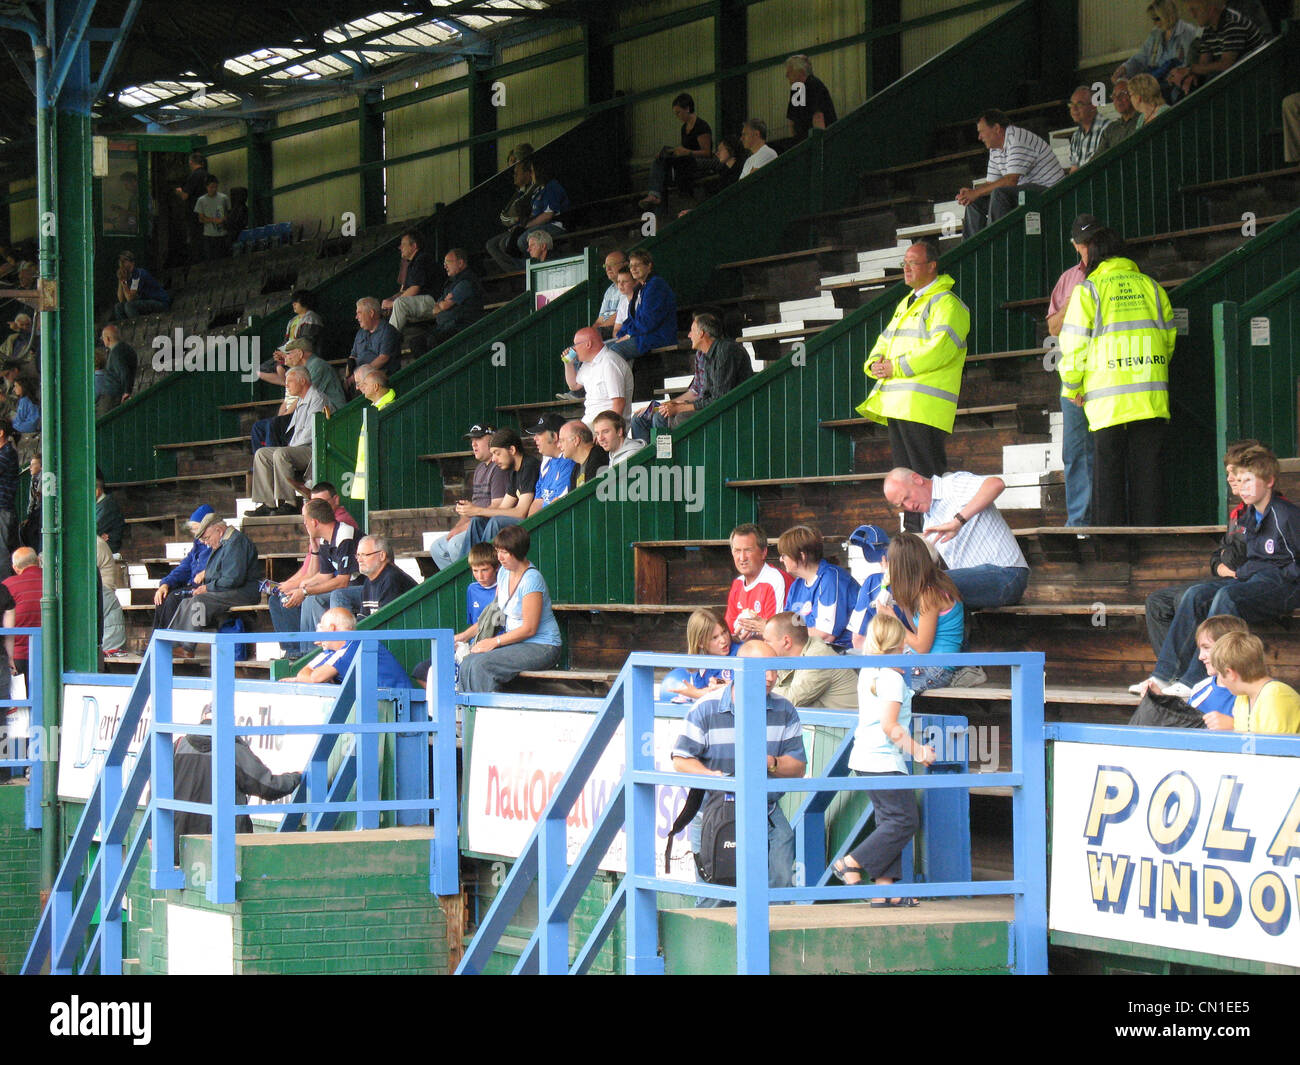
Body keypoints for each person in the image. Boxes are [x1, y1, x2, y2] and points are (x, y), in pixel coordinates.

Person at [1131, 444, 1300, 696]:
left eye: (1249, 481)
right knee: (1195, 594)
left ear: (1269, 481)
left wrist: (1252, 570)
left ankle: (1196, 681)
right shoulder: (1246, 516)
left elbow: (1288, 564)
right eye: (1239, 481)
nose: (1242, 487)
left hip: (1286, 586)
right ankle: (1164, 676)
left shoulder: (1285, 514)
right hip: (1254, 580)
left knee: (1226, 597)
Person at [670, 639, 806, 904]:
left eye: (774, 669)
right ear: (737, 671)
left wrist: (771, 762)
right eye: (762, 669)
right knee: (715, 894)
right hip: (712, 809)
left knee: (779, 883)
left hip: (764, 809)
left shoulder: (785, 709)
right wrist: (714, 778)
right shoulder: (705, 708)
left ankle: (775, 942)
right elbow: (681, 759)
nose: (771, 677)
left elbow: (798, 767)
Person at [1058, 225, 1175, 526]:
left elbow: (1073, 345)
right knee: (1148, 472)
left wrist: (1073, 385)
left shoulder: (1090, 290)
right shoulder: (1152, 287)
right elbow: (1168, 340)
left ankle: (1112, 545)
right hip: (1150, 396)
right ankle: (1151, 543)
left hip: (1107, 400)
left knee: (1107, 475)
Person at [858, 237, 970, 531]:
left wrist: (895, 366)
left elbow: (941, 348)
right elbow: (884, 342)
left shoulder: (948, 303)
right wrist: (875, 364)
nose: (906, 268)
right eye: (904, 263)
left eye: (913, 262)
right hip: (900, 403)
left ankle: (934, 533)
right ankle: (914, 533)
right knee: (906, 475)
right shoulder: (907, 303)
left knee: (926, 473)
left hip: (924, 405)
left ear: (932, 266)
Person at [831, 613, 936, 903]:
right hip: (882, 759)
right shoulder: (890, 677)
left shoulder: (870, 670)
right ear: (899, 644)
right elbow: (891, 726)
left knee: (889, 821)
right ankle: (850, 862)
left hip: (865, 756)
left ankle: (884, 890)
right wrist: (919, 751)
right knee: (903, 821)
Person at [1139, 442, 1258, 675]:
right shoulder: (1238, 512)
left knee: (1190, 596)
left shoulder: (1264, 512)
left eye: (1236, 473)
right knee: (1157, 602)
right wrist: (1223, 565)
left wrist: (1228, 564)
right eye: (1229, 474)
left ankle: (1197, 677)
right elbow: (1218, 557)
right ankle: (1177, 676)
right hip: (1229, 577)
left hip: (1247, 583)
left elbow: (1248, 557)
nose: (1231, 479)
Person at [171, 702, 302, 865]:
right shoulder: (233, 750)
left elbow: (156, 791)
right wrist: (296, 778)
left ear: (203, 718)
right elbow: (268, 786)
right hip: (224, 845)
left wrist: (152, 833)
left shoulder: (177, 746)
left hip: (180, 843)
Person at [882, 467, 1031, 609]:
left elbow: (996, 484)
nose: (909, 506)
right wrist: (896, 569)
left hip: (1007, 574)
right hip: (976, 585)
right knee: (907, 586)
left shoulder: (952, 485)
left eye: (907, 497)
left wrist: (958, 521)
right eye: (902, 505)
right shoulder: (929, 522)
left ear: (917, 479)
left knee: (926, 585)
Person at [457, 524, 563, 693]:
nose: (499, 557)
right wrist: (462, 637)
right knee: (468, 662)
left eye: (504, 552)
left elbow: (529, 629)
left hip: (542, 646)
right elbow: (494, 615)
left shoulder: (532, 580)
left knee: (482, 665)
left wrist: (494, 642)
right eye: (498, 551)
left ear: (518, 552)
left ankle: (486, 714)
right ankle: (469, 715)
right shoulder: (503, 573)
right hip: (517, 644)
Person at [1045, 214, 1102, 526]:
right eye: (1082, 244)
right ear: (1074, 246)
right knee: (1077, 453)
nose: (1086, 249)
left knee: (1109, 452)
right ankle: (1080, 523)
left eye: (1091, 242)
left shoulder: (1115, 274)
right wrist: (1076, 300)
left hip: (1111, 377)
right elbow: (1053, 327)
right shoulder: (1069, 279)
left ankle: (1109, 522)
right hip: (1074, 380)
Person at [630, 312, 752, 441]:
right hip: (709, 406)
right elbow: (697, 393)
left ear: (702, 333)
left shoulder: (726, 350)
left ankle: (665, 458)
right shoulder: (703, 355)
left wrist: (680, 408)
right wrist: (666, 405)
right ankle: (652, 458)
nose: (689, 335)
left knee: (668, 417)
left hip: (732, 410)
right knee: (645, 417)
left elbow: (719, 399)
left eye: (692, 331)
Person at [267, 498, 359, 658]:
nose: (304, 524)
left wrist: (305, 591)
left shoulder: (345, 534)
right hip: (345, 587)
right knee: (301, 596)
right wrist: (300, 589)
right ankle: (301, 653)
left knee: (312, 598)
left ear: (315, 522)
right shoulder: (325, 539)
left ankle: (314, 653)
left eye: (305, 519)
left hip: (360, 587)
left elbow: (343, 581)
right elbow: (325, 576)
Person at [878, 532, 967, 692]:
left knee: (880, 686)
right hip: (925, 662)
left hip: (935, 668)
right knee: (874, 670)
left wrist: (892, 619)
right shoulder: (932, 583)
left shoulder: (930, 595)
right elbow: (918, 632)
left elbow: (921, 647)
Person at [959, 109, 1065, 239]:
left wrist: (976, 192)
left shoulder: (1017, 138)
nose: (979, 137)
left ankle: (997, 246)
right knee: (975, 202)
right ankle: (971, 253)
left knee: (1000, 193)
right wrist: (972, 193)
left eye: (981, 131)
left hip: (1051, 193)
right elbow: (990, 185)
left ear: (997, 128)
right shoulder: (995, 148)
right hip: (1024, 194)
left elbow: (1010, 181)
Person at [169, 516, 260, 659]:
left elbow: (233, 579)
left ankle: (187, 647)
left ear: (218, 530)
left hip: (243, 592)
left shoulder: (236, 542)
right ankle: (174, 645)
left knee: (199, 602)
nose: (206, 543)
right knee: (186, 601)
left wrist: (207, 588)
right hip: (228, 590)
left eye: (207, 538)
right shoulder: (222, 543)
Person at [247, 367, 326, 516]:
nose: (287, 385)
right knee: (261, 454)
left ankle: (289, 502)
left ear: (302, 381)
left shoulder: (317, 399)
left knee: (281, 453)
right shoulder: (300, 401)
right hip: (298, 448)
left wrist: (290, 447)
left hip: (312, 449)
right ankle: (268, 504)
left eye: (290, 381)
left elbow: (312, 432)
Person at [430, 424, 510, 570]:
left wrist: (463, 529)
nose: (473, 444)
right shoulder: (479, 469)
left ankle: (473, 580)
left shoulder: (498, 467)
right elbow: (471, 508)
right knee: (437, 548)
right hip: (471, 526)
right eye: (472, 440)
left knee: (454, 545)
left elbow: (497, 506)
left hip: (485, 528)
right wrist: (457, 528)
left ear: (492, 439)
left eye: (478, 438)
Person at [251, 337, 345, 454]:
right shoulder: (304, 369)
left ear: (300, 353)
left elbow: (305, 393)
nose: (287, 356)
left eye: (289, 353)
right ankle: (261, 463)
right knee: (258, 427)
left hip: (334, 414)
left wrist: (283, 417)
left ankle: (274, 462)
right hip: (310, 410)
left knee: (275, 424)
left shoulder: (317, 365)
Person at [280, 608, 412, 688]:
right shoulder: (333, 651)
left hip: (399, 708)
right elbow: (304, 673)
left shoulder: (355, 644)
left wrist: (305, 679)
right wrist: (301, 678)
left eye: (321, 627)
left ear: (332, 628)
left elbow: (316, 677)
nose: (318, 635)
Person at [778, 524, 859, 650]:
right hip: (808, 654)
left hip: (841, 656)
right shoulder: (797, 585)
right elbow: (786, 624)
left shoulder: (830, 578)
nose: (781, 559)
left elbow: (825, 635)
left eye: (784, 555)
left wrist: (778, 633)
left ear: (802, 556)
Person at [460, 429, 541, 551]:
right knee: (477, 520)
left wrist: (478, 510)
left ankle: (486, 561)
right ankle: (469, 566)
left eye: (497, 453)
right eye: (492, 454)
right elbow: (503, 508)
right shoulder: (514, 472)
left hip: (533, 526)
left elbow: (521, 513)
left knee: (496, 522)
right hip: (519, 525)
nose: (493, 459)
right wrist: (475, 512)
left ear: (512, 450)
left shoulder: (528, 466)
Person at [1204, 631, 1300, 734]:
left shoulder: (1275, 696)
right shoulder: (1243, 698)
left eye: (1219, 674)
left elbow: (1275, 747)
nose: (1220, 679)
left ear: (1230, 673)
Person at [1168, 1, 1267, 97]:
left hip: (1259, 75)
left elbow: (1226, 65)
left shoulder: (1232, 22)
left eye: (1195, 9)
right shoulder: (1208, 30)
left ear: (1211, 8)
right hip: (1240, 79)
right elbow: (1203, 65)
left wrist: (1191, 69)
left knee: (1212, 81)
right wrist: (1190, 76)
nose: (1193, 15)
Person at [486, 158, 570, 271]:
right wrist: (521, 225)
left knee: (521, 241)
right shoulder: (539, 189)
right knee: (504, 243)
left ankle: (529, 269)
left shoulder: (552, 187)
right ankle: (518, 271)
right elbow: (532, 213)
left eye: (532, 171)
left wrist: (526, 226)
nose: (531, 174)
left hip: (554, 225)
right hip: (537, 225)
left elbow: (547, 216)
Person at [762, 611, 857, 710]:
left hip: (846, 723)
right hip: (827, 722)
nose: (763, 645)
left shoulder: (819, 657)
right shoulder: (786, 656)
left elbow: (790, 700)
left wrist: (755, 689)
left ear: (786, 642)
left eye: (767, 641)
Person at [641, 93, 718, 208]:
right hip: (687, 160)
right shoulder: (684, 128)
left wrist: (687, 152)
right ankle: (654, 194)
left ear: (687, 109)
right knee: (660, 158)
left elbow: (707, 153)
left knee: (678, 161)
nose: (677, 116)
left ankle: (682, 194)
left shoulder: (701, 126)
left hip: (698, 162)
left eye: (678, 112)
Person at [389, 247, 482, 340]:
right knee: (416, 342)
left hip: (459, 327)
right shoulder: (452, 281)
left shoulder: (465, 282)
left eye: (448, 262)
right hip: (445, 326)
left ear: (460, 263)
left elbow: (444, 306)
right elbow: (437, 307)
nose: (445, 266)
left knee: (431, 341)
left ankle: (389, 343)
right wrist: (442, 303)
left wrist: (442, 304)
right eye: (444, 263)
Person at [1112, 0, 1199, 92]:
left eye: (1157, 19)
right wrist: (1125, 68)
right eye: (1152, 19)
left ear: (1168, 15)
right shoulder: (1156, 33)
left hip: (1172, 82)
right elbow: (1142, 57)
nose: (1154, 23)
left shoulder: (1187, 32)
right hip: (1154, 79)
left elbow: (1190, 63)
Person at [152, 504, 216, 630]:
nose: (195, 533)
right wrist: (166, 584)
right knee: (163, 597)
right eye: (193, 529)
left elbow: (223, 566)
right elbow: (184, 567)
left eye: (196, 528)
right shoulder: (198, 545)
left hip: (206, 588)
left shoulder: (217, 543)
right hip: (192, 585)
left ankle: (171, 643)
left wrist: (207, 572)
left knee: (173, 598)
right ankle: (157, 644)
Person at [725, 522, 790, 642]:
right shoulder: (737, 583)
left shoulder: (774, 580)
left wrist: (755, 630)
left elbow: (778, 636)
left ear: (764, 552)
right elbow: (729, 629)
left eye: (748, 550)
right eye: (737, 551)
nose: (742, 558)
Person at [608, 250, 677, 361]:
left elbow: (649, 321)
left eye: (637, 265)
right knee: (601, 349)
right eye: (631, 266)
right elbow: (632, 319)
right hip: (642, 335)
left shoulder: (656, 285)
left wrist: (629, 334)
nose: (633, 269)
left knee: (612, 351)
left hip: (657, 337)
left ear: (649, 266)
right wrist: (622, 334)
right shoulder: (642, 288)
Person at [1179, 615, 1250, 718]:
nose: (1200, 657)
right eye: (1200, 649)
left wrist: (1232, 726)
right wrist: (1159, 699)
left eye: (1207, 648)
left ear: (1229, 646)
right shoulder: (1199, 689)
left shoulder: (1254, 692)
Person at [563, 327, 632, 428]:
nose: (574, 349)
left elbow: (619, 402)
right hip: (589, 422)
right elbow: (573, 386)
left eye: (576, 344)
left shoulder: (609, 362)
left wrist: (606, 430)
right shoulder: (587, 363)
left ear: (588, 344)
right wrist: (568, 363)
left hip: (604, 426)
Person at [662, 608, 736, 702]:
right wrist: (691, 695)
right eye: (715, 637)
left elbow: (738, 692)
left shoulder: (741, 651)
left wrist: (696, 694)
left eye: (724, 632)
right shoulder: (698, 662)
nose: (723, 640)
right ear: (701, 643)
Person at [258, 291, 326, 386]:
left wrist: (285, 353)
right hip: (288, 353)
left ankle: (295, 390)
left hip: (303, 356)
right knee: (260, 371)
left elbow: (306, 343)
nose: (293, 304)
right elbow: (286, 341)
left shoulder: (312, 318)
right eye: (293, 302)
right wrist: (278, 353)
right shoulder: (292, 321)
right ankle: (291, 387)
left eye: (296, 302)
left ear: (305, 302)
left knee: (280, 368)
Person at [2, 546, 41, 687]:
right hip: (52, 656)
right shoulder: (55, 583)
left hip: (18, 657)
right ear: (38, 561)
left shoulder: (8, 586)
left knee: (20, 707)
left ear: (15, 568)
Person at [381, 231, 439, 322]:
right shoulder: (411, 262)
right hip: (419, 301)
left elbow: (415, 289)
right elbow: (404, 290)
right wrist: (390, 301)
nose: (400, 248)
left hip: (432, 300)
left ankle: (390, 335)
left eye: (404, 244)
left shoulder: (421, 259)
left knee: (399, 303)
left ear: (414, 246)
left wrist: (392, 303)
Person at [523, 414, 577, 514]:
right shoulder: (546, 462)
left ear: (555, 436)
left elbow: (556, 506)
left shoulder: (569, 462)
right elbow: (538, 501)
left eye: (539, 434)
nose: (535, 438)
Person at [346, 297, 401, 388]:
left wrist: (359, 376)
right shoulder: (360, 333)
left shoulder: (387, 330)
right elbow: (353, 356)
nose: (356, 317)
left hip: (380, 381)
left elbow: (383, 358)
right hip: (360, 381)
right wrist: (348, 377)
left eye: (359, 313)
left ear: (371, 313)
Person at [783, 54, 836, 146]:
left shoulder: (813, 85)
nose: (786, 75)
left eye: (790, 71)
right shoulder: (797, 89)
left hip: (817, 143)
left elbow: (818, 117)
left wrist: (820, 146)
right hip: (803, 144)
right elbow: (792, 120)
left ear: (801, 72)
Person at [112, 251, 170, 320]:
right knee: (118, 307)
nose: (123, 264)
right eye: (121, 262)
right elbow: (121, 300)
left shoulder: (138, 274)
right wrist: (121, 280)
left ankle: (137, 328)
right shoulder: (127, 276)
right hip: (145, 301)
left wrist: (124, 283)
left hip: (160, 302)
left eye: (125, 261)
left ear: (132, 263)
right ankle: (125, 329)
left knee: (129, 306)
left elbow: (130, 298)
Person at [1066, 85, 1112, 172]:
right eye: (1072, 104)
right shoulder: (1076, 136)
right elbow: (1074, 170)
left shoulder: (1108, 129)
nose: (1074, 109)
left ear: (1093, 106)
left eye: (1079, 104)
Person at [174, 152, 210, 262]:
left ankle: (196, 261)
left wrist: (179, 191)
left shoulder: (194, 176)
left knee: (195, 239)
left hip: (194, 212)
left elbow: (185, 196)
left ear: (191, 162)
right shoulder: (207, 175)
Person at [96, 324, 138, 416]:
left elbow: (124, 372)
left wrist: (127, 391)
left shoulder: (116, 353)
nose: (102, 340)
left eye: (103, 338)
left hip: (111, 397)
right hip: (116, 394)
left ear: (107, 338)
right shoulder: (127, 349)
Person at [558, 419, 608, 488]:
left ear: (576, 440)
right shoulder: (576, 468)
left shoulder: (599, 459)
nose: (559, 445)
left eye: (562, 440)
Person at [1095, 80, 1140, 154]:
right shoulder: (1111, 129)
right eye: (1114, 96)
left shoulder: (1143, 120)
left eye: (1122, 94)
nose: (1117, 99)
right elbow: (1096, 159)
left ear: (1133, 95)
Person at [592, 250, 630, 335]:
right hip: (604, 330)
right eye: (606, 265)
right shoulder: (610, 290)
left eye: (612, 264)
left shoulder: (629, 286)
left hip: (619, 329)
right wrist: (592, 331)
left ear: (626, 265)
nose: (608, 269)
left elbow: (619, 316)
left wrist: (596, 331)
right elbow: (600, 319)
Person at [194, 174, 232, 260]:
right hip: (209, 235)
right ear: (206, 187)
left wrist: (225, 219)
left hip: (222, 234)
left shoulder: (223, 198)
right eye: (211, 187)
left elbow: (228, 212)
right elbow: (201, 218)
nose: (213, 189)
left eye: (215, 187)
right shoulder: (201, 200)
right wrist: (214, 220)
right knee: (210, 258)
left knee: (223, 258)